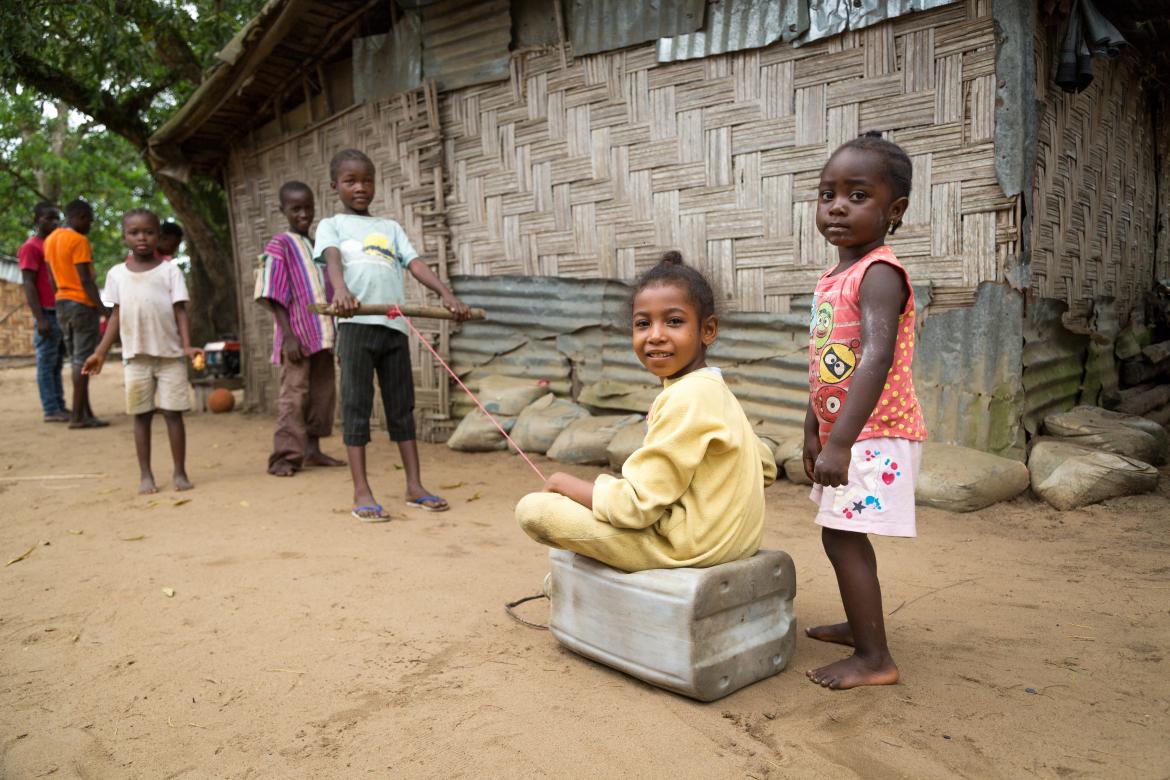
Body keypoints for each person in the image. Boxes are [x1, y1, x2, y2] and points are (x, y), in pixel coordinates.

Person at [515, 251, 777, 572]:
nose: (655, 335)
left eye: (674, 321)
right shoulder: (714, 389)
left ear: (708, 330)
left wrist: (562, 483)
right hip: (737, 541)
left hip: (689, 548)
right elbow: (764, 466)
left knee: (535, 509)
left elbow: (636, 507)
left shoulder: (686, 396)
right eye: (643, 324)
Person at [802, 131, 927, 690]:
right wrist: (814, 429)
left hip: (874, 434)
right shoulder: (833, 276)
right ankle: (861, 628)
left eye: (857, 195)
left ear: (893, 210)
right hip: (849, 434)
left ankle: (875, 657)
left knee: (843, 536)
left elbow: (875, 357)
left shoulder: (879, 273)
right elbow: (827, 362)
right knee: (840, 533)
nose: (836, 206)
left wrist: (840, 442)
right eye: (828, 193)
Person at [321, 149, 471, 521]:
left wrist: (445, 293)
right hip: (355, 327)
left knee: (401, 406)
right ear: (334, 186)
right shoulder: (332, 224)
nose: (360, 187)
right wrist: (339, 290)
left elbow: (414, 263)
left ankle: (414, 486)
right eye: (350, 181)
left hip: (393, 327)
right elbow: (333, 259)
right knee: (356, 407)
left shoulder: (390, 228)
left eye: (367, 180)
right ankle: (362, 491)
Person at [82, 209, 202, 494]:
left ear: (158, 236)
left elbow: (180, 310)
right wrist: (100, 352)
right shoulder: (117, 275)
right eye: (134, 233)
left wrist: (186, 345)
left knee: (174, 414)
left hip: (170, 356)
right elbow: (115, 316)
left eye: (148, 232)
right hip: (135, 358)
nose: (142, 238)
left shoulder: (170, 270)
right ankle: (145, 474)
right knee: (141, 415)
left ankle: (179, 472)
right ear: (125, 236)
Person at [254, 181, 345, 477]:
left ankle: (312, 449)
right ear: (283, 211)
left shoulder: (317, 246)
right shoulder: (280, 244)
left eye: (308, 207)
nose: (303, 213)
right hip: (297, 336)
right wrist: (289, 335)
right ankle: (285, 457)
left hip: (323, 334)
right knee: (293, 396)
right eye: (296, 209)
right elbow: (272, 292)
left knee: (322, 394)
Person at [44, 198, 108, 428]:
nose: (90, 225)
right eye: (89, 221)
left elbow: (51, 278)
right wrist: (104, 310)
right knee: (83, 360)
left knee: (76, 360)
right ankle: (77, 417)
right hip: (81, 305)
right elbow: (86, 280)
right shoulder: (79, 241)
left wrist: (61, 297)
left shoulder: (50, 241)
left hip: (61, 303)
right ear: (79, 217)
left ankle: (85, 412)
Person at [19, 202, 68, 422]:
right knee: (46, 363)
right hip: (46, 314)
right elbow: (28, 283)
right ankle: (50, 408)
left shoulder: (52, 246)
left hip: (59, 311)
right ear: (37, 219)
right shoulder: (31, 247)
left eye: (57, 218)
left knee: (57, 362)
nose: (54, 222)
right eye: (49, 218)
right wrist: (40, 319)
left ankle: (59, 405)